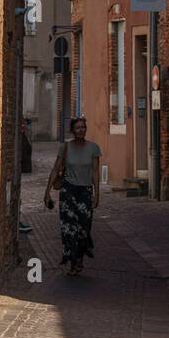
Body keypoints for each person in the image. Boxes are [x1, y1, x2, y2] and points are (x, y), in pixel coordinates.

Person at [44, 117, 101, 275]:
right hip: (68, 191)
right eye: (78, 128)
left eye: (83, 127)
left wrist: (97, 194)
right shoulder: (65, 147)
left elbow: (95, 172)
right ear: (72, 130)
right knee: (68, 228)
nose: (81, 130)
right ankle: (73, 261)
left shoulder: (93, 148)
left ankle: (80, 257)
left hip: (85, 192)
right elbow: (56, 169)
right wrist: (47, 192)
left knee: (84, 228)